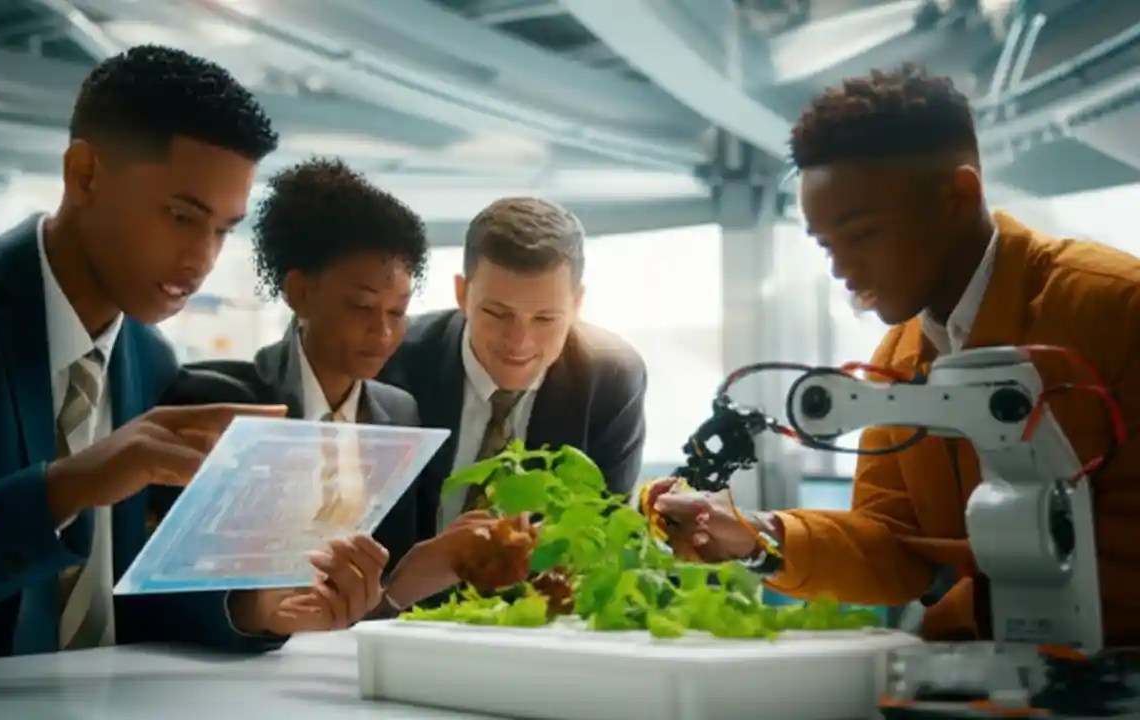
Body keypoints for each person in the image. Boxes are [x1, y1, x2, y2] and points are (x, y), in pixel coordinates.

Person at [0, 46, 385, 669]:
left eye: (222, 228)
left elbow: (110, 596)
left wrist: (254, 609)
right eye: (181, 216)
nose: (202, 259)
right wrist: (68, 486)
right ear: (84, 174)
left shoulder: (147, 355)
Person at [649, 65, 1140, 646]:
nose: (841, 269)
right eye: (827, 245)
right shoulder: (899, 357)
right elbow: (891, 543)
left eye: (862, 235)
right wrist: (758, 536)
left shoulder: (1116, 309)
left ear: (960, 196)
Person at [160, 157, 491, 618]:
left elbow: (380, 599)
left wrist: (417, 573)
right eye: (361, 306)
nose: (382, 332)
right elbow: (162, 591)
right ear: (300, 293)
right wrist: (253, 613)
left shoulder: (398, 414)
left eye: (397, 312)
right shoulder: (214, 398)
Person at [378, 197, 648, 554]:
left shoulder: (611, 378)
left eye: (545, 319)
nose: (519, 342)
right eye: (497, 313)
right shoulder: (392, 359)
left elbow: (602, 536)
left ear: (577, 304)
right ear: (462, 293)